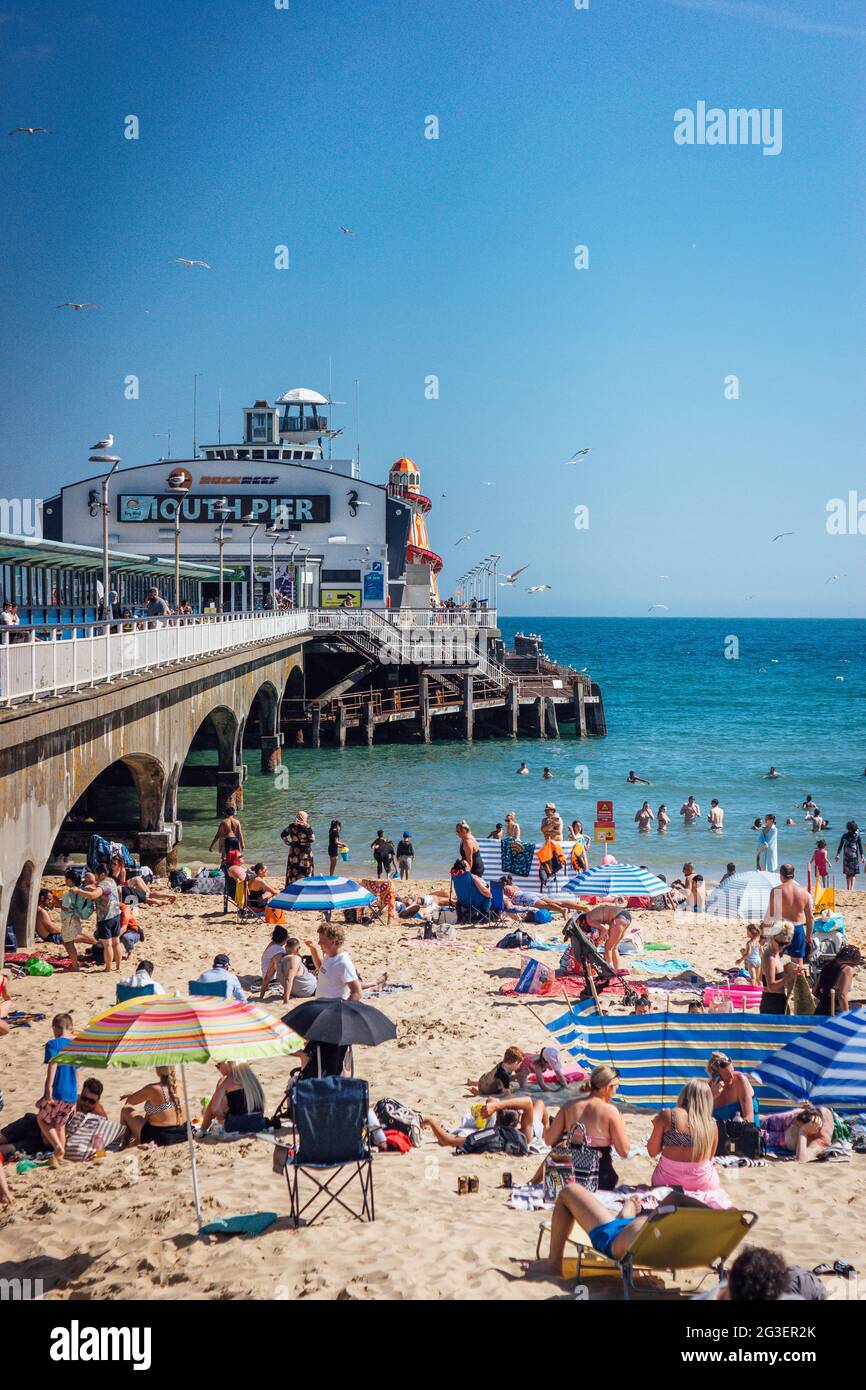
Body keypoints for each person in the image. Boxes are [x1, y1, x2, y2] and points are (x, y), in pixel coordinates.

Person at [540, 1186, 707, 1274]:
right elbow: (676, 1199)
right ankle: (626, 1214)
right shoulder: (687, 1244)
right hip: (637, 1233)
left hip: (617, 1238)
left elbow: (673, 1198)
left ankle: (554, 1264)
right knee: (669, 1203)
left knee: (568, 1191)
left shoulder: (650, 1230)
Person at [538, 1064, 629, 1189]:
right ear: (608, 1087)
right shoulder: (610, 1111)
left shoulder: (569, 1106)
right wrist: (622, 1125)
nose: (615, 1092)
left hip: (568, 1177)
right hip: (598, 1177)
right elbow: (624, 1151)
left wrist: (545, 1122)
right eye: (615, 1088)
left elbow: (549, 1140)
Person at [647, 1079, 730, 1206]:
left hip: (668, 1182)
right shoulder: (712, 1124)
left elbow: (652, 1152)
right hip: (704, 1183)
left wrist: (658, 1128)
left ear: (684, 1095)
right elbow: (709, 1157)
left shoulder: (669, 1115)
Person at [306, 922, 384, 1000]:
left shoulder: (343, 963)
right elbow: (321, 969)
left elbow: (357, 993)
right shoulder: (329, 956)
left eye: (322, 940)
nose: (319, 943)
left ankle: (375, 985)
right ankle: (375, 985)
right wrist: (313, 949)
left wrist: (342, 1008)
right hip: (323, 1007)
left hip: (334, 1009)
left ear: (333, 942)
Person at [37, 1013, 78, 1160]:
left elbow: (53, 1063)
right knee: (60, 1125)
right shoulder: (75, 1046)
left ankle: (58, 1147)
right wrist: (76, 1099)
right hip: (71, 1095)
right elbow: (76, 1072)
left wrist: (48, 1090)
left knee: (42, 1119)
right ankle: (61, 1158)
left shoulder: (52, 1044)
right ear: (70, 1029)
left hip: (58, 1092)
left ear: (54, 1028)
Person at [760, 862, 813, 963]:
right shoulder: (804, 892)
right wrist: (809, 936)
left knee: (774, 957)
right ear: (793, 875)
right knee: (797, 961)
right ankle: (797, 978)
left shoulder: (777, 891)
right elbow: (810, 917)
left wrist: (764, 934)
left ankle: (777, 977)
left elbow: (770, 915)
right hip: (797, 928)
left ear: (781, 876)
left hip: (781, 928)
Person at [121, 1067, 187, 1147]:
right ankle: (132, 1142)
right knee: (152, 1108)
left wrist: (133, 1095)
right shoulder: (181, 1084)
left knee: (125, 1110)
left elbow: (130, 1101)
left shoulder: (153, 1089)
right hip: (183, 1134)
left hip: (161, 1138)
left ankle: (123, 1144)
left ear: (158, 1072)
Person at [76, 865, 123, 972]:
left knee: (108, 945)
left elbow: (93, 895)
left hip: (105, 918)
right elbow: (104, 892)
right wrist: (90, 888)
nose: (95, 876)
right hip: (116, 915)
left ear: (102, 874)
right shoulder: (111, 880)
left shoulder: (102, 884)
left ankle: (108, 968)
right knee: (116, 942)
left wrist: (79, 891)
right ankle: (118, 967)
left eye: (96, 874)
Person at [199, 1062, 266, 1135]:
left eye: (218, 1065)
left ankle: (202, 1129)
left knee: (213, 1101)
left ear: (227, 1063)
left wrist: (222, 1118)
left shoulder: (226, 1079)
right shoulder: (251, 1077)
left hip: (237, 1126)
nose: (218, 1069)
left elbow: (214, 1108)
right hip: (259, 1123)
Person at [760, 1104, 833, 1162]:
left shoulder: (821, 1142)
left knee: (757, 1135)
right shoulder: (822, 1111)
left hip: (785, 1139)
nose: (796, 1126)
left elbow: (802, 1159)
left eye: (799, 1126)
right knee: (761, 1122)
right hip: (790, 1119)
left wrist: (803, 1132)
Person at [759, 925, 802, 1014]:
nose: (783, 946)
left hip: (776, 1001)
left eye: (786, 943)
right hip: (772, 1003)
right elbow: (771, 987)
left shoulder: (776, 954)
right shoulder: (770, 957)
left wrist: (786, 968)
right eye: (780, 943)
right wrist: (789, 976)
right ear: (772, 937)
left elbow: (761, 978)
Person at [706, 1051, 757, 1124]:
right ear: (716, 1077)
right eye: (727, 1075)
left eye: (732, 1071)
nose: (732, 1076)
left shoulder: (740, 1080)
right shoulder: (707, 1089)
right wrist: (712, 1096)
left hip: (747, 1129)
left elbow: (749, 1117)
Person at [814, 944, 864, 1015]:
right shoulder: (847, 969)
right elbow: (842, 996)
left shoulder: (828, 965)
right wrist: (846, 1016)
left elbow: (814, 991)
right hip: (834, 1011)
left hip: (820, 1009)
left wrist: (825, 998)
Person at [276, 936, 317, 1002]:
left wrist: (261, 996)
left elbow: (267, 976)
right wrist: (285, 1000)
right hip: (308, 990)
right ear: (298, 948)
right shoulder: (295, 959)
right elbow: (289, 979)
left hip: (294, 991)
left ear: (285, 947)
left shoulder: (277, 957)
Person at [281, 810, 315, 883]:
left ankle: (293, 884)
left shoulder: (291, 826)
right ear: (304, 817)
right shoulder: (307, 827)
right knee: (306, 869)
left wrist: (288, 843)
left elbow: (283, 834)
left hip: (294, 851)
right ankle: (306, 885)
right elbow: (312, 839)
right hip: (305, 851)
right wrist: (304, 841)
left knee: (294, 869)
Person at [835, 820, 865, 889]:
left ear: (848, 828)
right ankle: (852, 888)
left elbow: (840, 846)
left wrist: (838, 854)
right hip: (854, 857)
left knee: (848, 873)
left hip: (846, 857)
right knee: (853, 873)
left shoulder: (844, 836)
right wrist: (862, 856)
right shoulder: (857, 836)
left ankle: (848, 887)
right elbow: (860, 847)